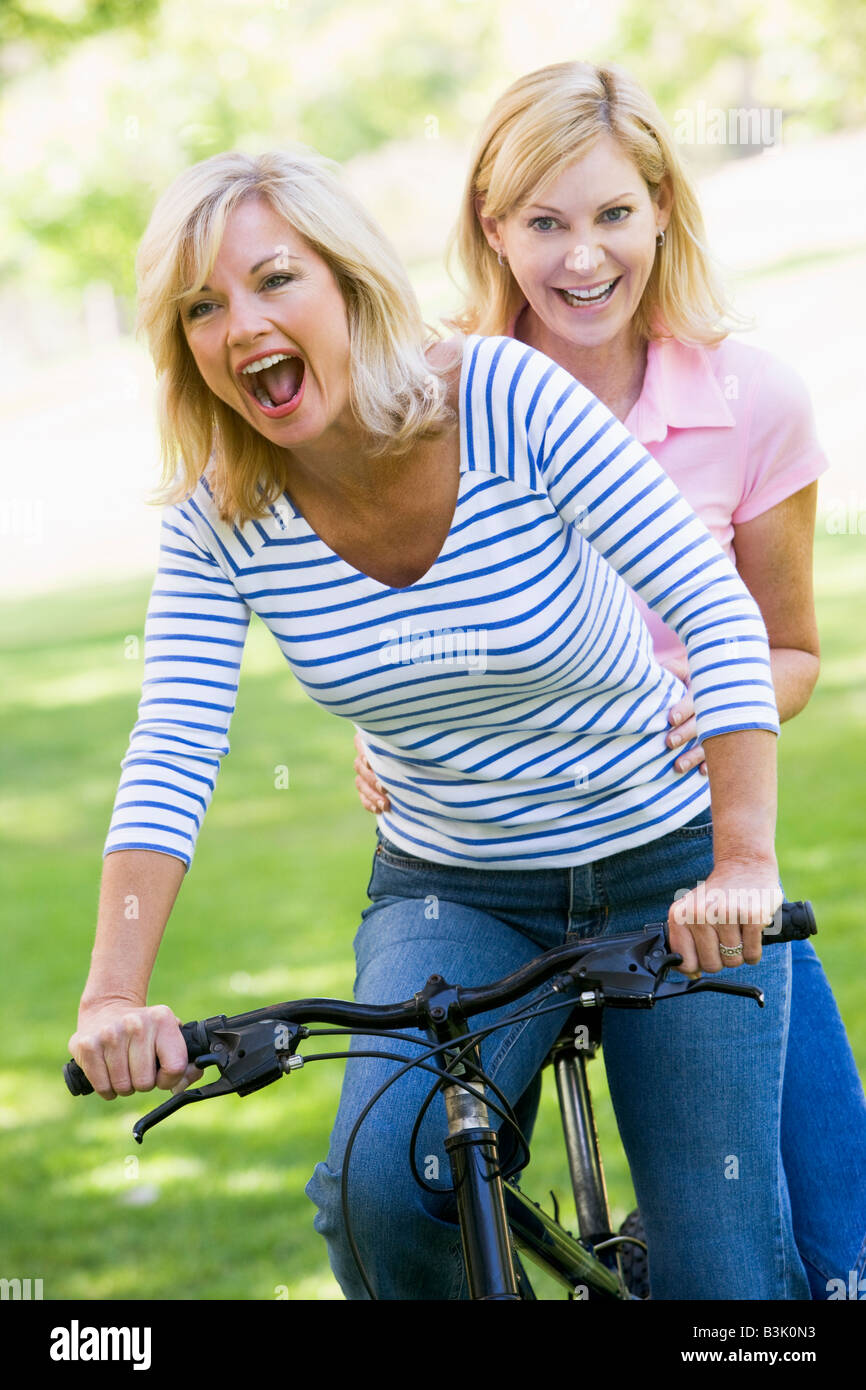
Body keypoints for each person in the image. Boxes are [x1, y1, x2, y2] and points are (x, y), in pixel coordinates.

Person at [69, 144, 817, 1302]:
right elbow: (172, 743)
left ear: (348, 282)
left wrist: (740, 864)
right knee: (380, 1196)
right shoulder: (218, 510)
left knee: (723, 1280)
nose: (241, 326)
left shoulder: (502, 397)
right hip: (453, 887)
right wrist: (112, 994)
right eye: (202, 307)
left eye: (274, 280)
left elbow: (714, 611)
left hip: (666, 863)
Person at [351, 60, 866, 1300]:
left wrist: (721, 710)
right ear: (492, 229)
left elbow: (787, 648)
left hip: (685, 840)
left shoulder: (753, 404)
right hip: (491, 854)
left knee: (815, 1253)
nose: (582, 256)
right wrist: (382, 729)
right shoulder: (427, 408)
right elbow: (376, 619)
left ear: (660, 212)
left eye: (611, 215)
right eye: (543, 222)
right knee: (396, 1181)